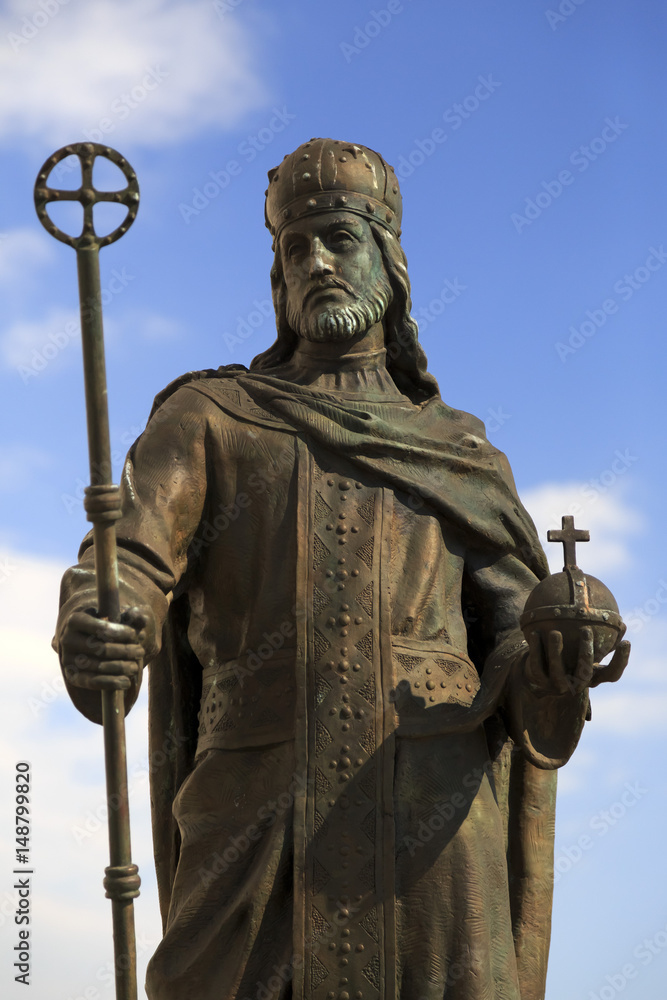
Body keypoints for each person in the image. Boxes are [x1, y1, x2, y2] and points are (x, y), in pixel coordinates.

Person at [55, 138, 629, 1000]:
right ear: (278, 278)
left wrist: (555, 655)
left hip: (431, 810)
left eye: (339, 239)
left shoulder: (458, 450)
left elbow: (512, 639)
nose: (316, 262)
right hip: (255, 802)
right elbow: (128, 555)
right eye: (295, 248)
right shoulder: (210, 416)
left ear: (387, 262)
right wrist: (101, 619)